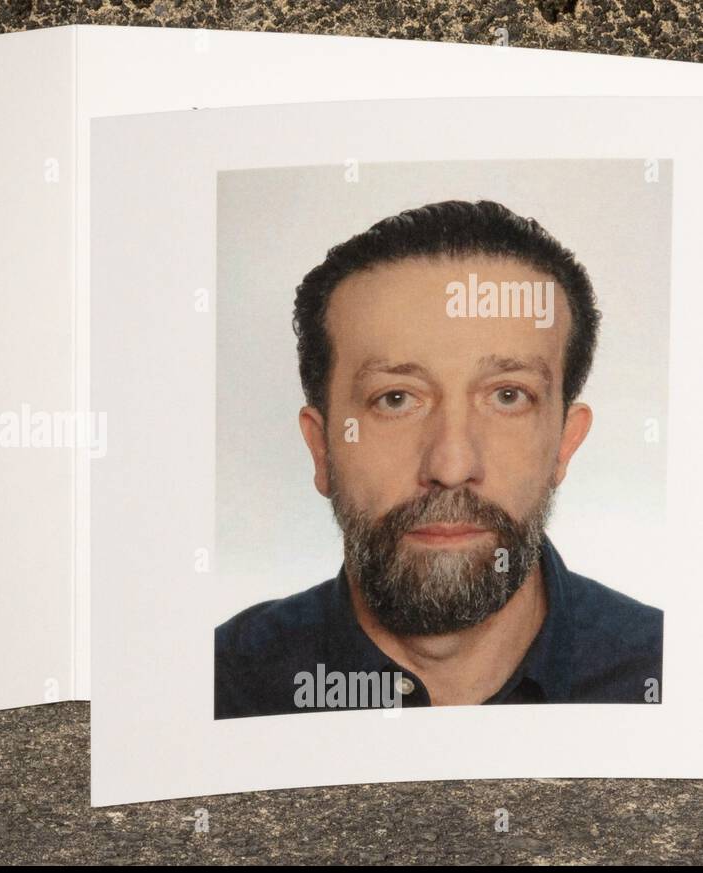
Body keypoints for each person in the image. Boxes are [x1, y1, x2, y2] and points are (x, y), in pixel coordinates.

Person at [215, 200, 662, 718]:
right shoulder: (220, 688)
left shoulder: (669, 677)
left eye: (508, 396)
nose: (450, 467)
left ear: (565, 442)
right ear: (321, 447)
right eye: (396, 398)